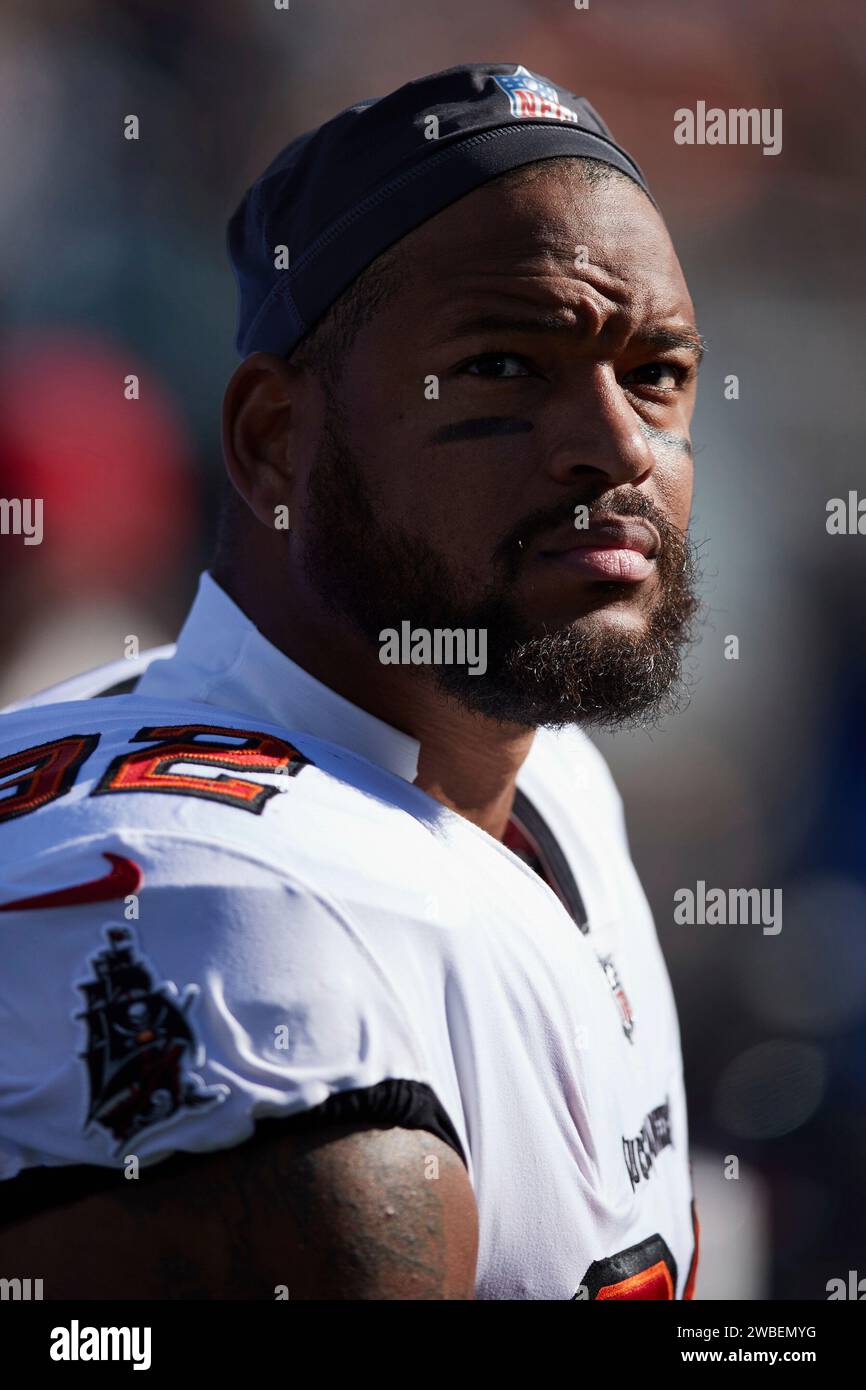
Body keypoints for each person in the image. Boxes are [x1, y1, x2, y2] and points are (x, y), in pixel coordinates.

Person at [0, 63, 703, 1299]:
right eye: (501, 367)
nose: (617, 446)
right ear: (274, 438)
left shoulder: (544, 774)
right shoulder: (230, 919)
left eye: (655, 373)